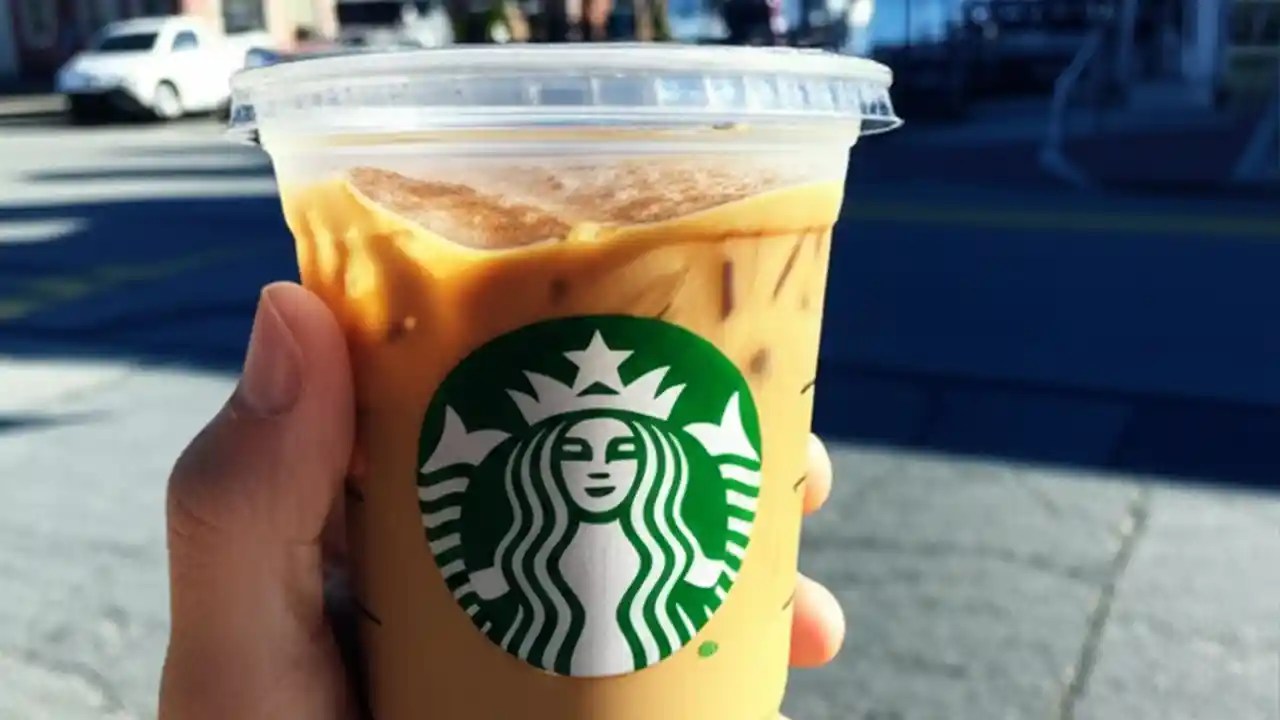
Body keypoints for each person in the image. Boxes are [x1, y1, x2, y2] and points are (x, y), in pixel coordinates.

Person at [157, 282, 847, 718]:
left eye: (623, 450)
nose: (599, 468)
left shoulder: (679, 568)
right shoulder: (510, 568)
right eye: (576, 450)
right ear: (539, 467)